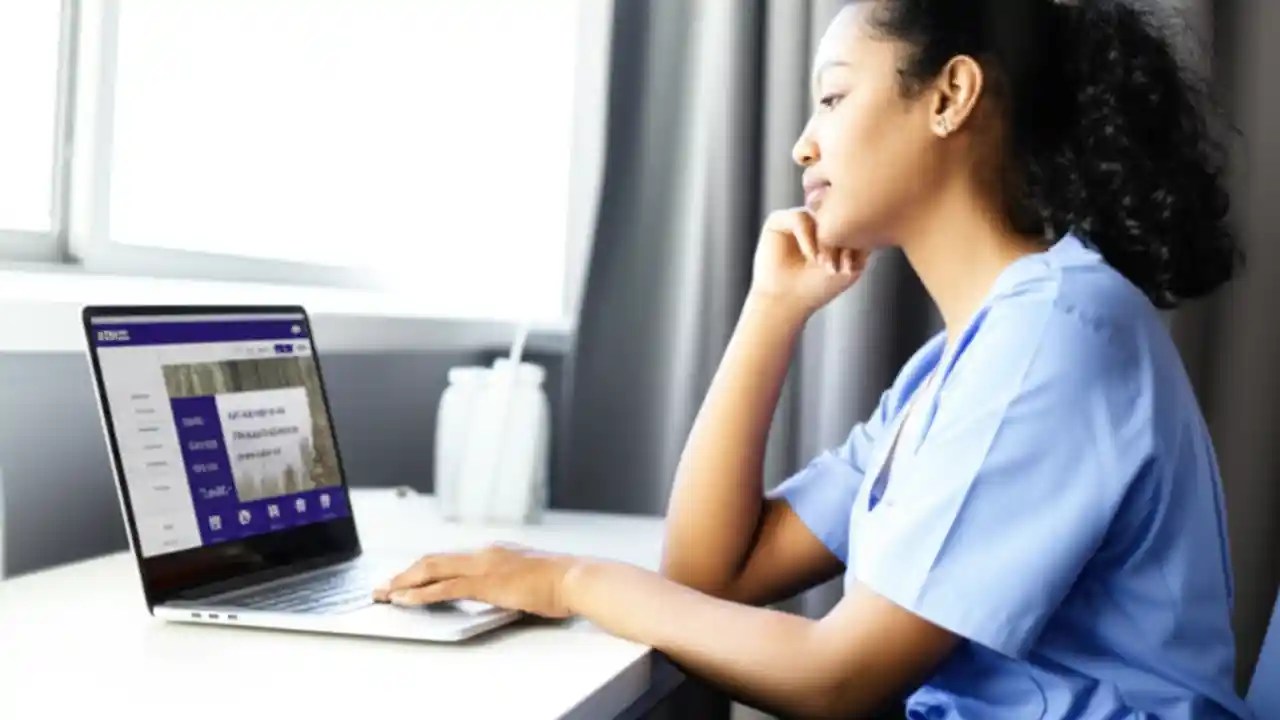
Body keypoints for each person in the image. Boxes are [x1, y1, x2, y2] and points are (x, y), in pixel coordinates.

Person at [375, 0, 1251, 716]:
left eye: (831, 98)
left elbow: (838, 678)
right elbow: (711, 575)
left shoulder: (1053, 334)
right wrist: (770, 312)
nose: (803, 144)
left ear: (950, 96)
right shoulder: (956, 364)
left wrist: (568, 580)